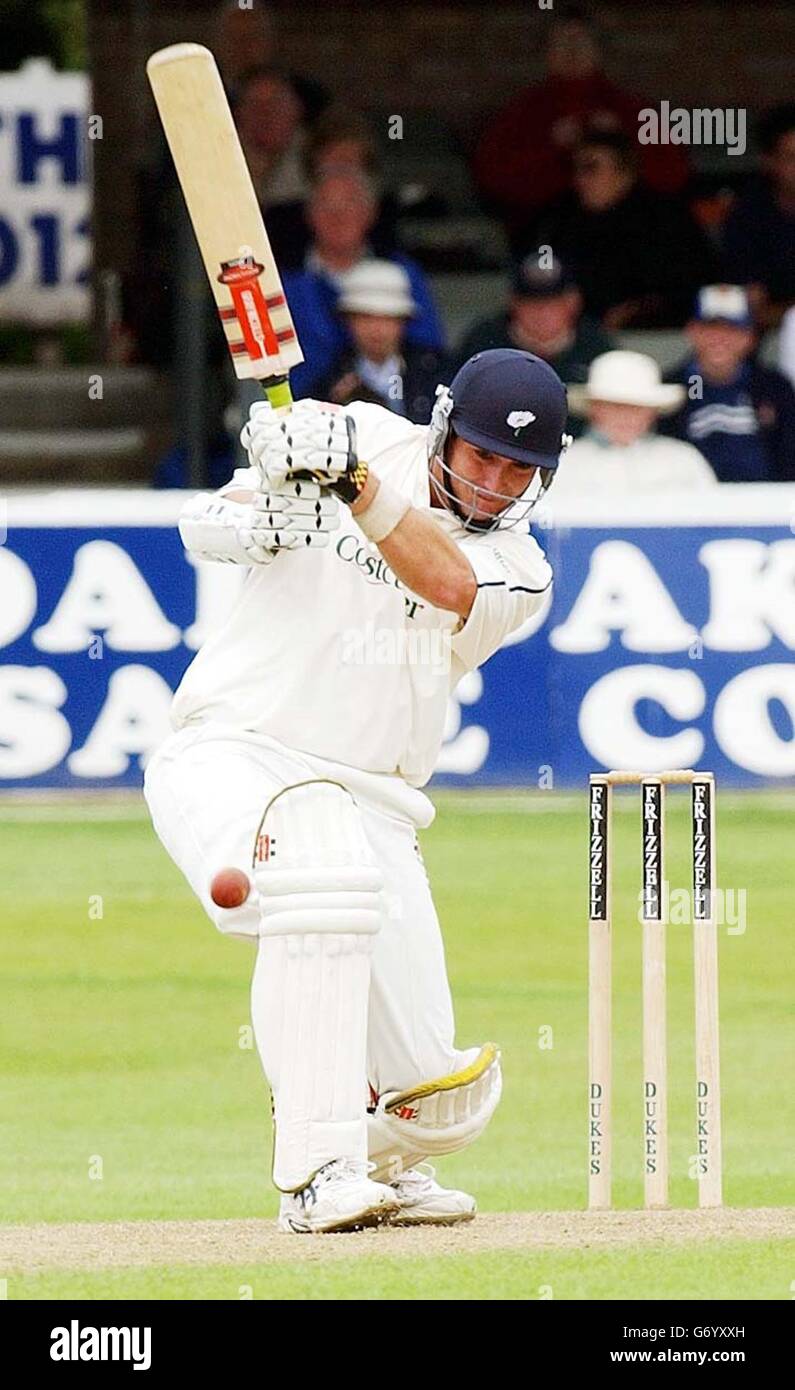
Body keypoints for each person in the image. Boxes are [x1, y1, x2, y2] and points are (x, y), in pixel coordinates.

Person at [143, 350, 570, 1234]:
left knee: (440, 1100)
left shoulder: (521, 571)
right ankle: (318, 1168)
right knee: (319, 871)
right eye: (482, 455)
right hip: (236, 750)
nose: (492, 484)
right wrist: (259, 517)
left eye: (517, 469)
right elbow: (207, 521)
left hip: (375, 797)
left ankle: (381, 1160)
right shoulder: (372, 433)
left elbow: (446, 580)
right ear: (443, 425)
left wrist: (352, 480)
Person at [472, 7, 688, 247]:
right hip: (547, 235)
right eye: (562, 43)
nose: (572, 52)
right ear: (547, 53)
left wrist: (622, 142)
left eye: (582, 43)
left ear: (598, 51)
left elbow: (673, 175)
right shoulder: (521, 113)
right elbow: (493, 180)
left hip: (631, 235)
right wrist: (552, 149)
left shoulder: (630, 109)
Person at [282, 170, 444, 397]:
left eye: (350, 203)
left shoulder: (402, 273)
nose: (338, 215)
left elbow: (428, 350)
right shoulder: (285, 286)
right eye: (326, 204)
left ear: (371, 212)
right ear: (308, 214)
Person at [535, 131, 718, 329]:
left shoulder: (667, 218)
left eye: (591, 168)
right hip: (578, 335)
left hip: (659, 336)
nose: (580, 179)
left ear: (625, 172)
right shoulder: (562, 219)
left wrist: (637, 311)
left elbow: (693, 287)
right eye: (576, 169)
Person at [662, 285, 795, 481]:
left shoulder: (771, 386)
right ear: (692, 331)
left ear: (750, 337)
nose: (720, 339)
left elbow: (788, 455)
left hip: (767, 501)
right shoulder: (686, 384)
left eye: (732, 330)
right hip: (693, 501)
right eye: (710, 329)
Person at [456, 252, 612, 405]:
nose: (541, 313)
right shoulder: (483, 342)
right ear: (513, 303)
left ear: (573, 302)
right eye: (531, 303)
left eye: (552, 303)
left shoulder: (596, 346)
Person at [555, 350, 716, 494]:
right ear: (594, 409)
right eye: (616, 406)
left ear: (652, 412)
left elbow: (712, 519)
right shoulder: (566, 463)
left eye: (637, 408)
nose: (626, 417)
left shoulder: (683, 460)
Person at [317, 260, 447, 423]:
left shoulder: (435, 375)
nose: (376, 329)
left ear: (403, 321)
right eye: (366, 317)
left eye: (387, 319)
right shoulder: (328, 382)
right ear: (348, 320)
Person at [721, 103, 795, 326]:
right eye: (792, 157)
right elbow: (753, 311)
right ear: (770, 162)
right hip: (771, 342)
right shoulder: (750, 216)